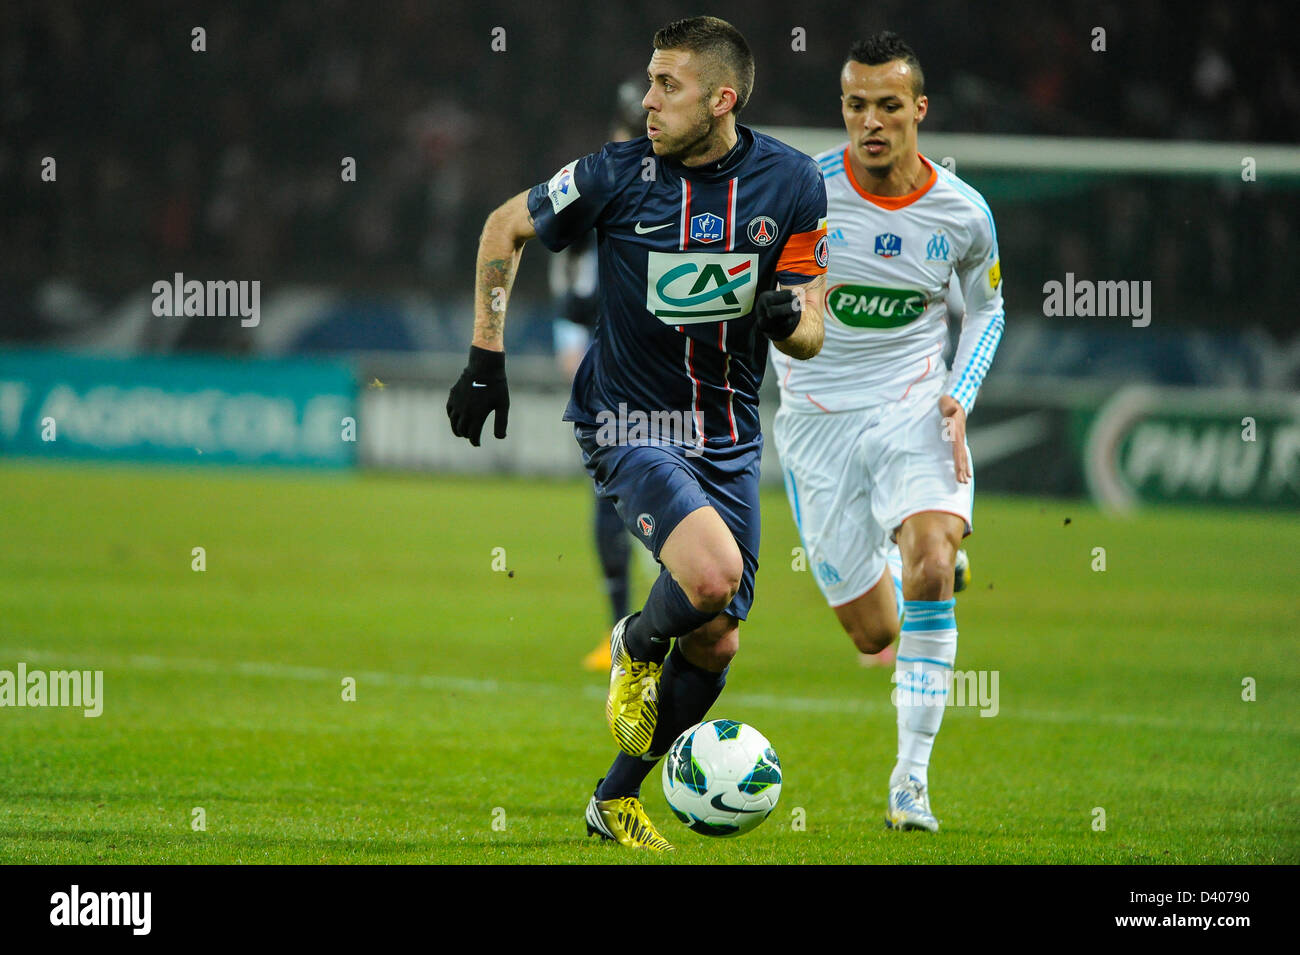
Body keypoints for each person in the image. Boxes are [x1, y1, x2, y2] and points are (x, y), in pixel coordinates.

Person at [447, 16, 828, 851]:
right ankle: (634, 638)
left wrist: (787, 316)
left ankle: (613, 798)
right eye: (649, 81)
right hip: (630, 420)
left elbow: (814, 326)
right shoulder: (614, 174)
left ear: (722, 98)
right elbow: (503, 226)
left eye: (668, 86)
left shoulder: (793, 184)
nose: (647, 101)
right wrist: (485, 356)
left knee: (718, 636)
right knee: (713, 575)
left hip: (727, 435)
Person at [772, 32, 1004, 831]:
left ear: (920, 111)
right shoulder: (804, 190)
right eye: (856, 105)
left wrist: (961, 393)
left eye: (889, 105)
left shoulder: (963, 212)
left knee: (935, 559)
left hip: (915, 403)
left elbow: (989, 305)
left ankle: (910, 782)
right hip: (816, 423)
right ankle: (905, 579)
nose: (871, 121)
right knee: (875, 629)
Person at [549, 82, 644, 674]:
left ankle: (686, 628)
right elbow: (572, 293)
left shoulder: (671, 216)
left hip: (673, 389)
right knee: (609, 510)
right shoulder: (591, 226)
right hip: (613, 395)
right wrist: (570, 345)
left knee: (681, 515)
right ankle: (620, 634)